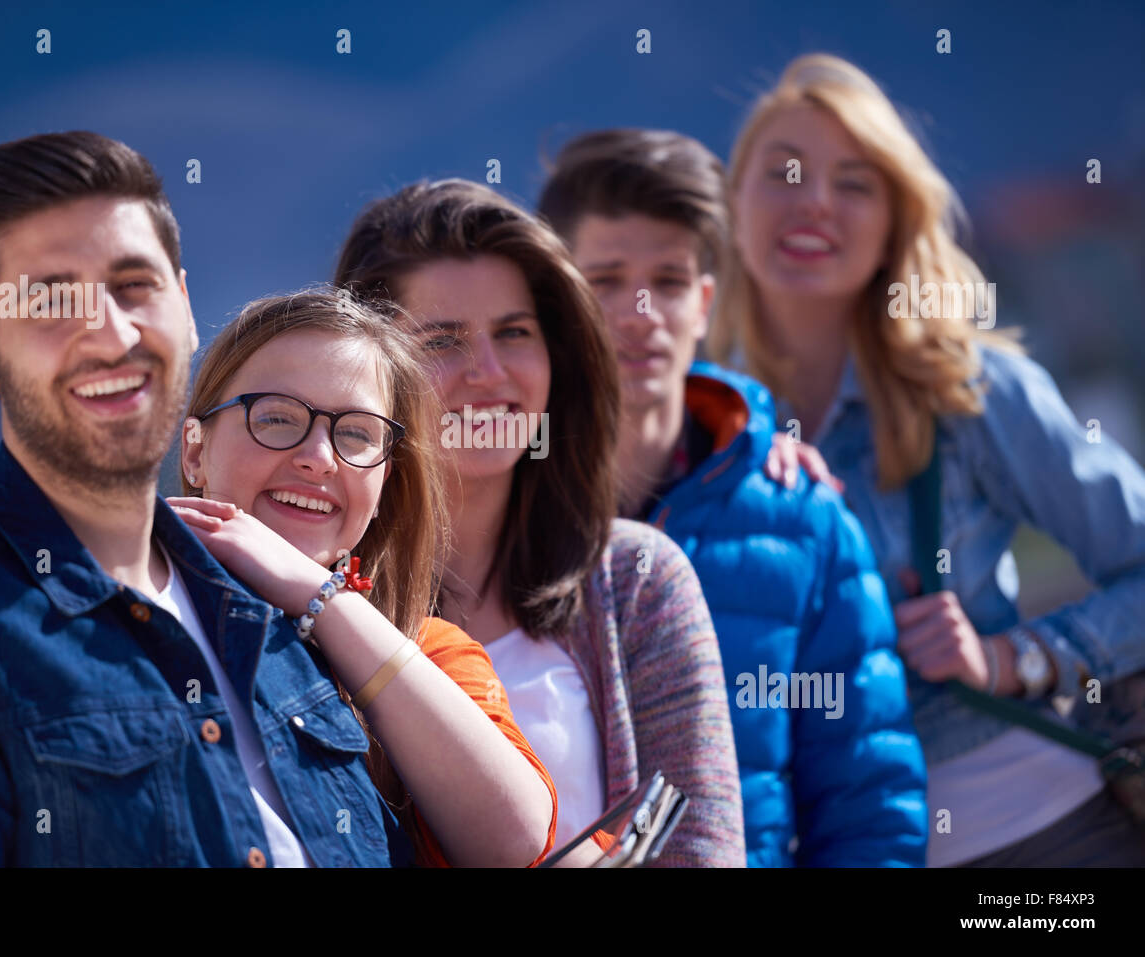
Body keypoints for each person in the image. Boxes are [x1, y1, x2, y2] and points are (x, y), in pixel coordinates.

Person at [0, 132, 405, 867]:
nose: (111, 334)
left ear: (183, 303)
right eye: (51, 300)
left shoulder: (266, 608)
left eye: (134, 285)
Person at [710, 53, 1145, 866]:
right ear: (732, 206)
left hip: (1044, 842)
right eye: (785, 172)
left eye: (855, 181)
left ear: (895, 222)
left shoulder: (969, 391)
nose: (814, 201)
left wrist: (1019, 656)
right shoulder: (700, 434)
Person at [537, 128, 928, 867]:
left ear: (706, 303)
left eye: (671, 281)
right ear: (557, 299)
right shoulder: (496, 507)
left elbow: (868, 801)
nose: (642, 312)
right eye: (607, 280)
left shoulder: (804, 517)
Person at [334, 179, 746, 867]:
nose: (488, 372)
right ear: (369, 373)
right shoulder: (317, 597)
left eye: (514, 332)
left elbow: (703, 850)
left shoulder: (639, 581)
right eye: (443, 341)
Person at [171, 288, 556, 867]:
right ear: (195, 453)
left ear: (382, 488)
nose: (320, 457)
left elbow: (516, 842)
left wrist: (317, 596)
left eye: (355, 434)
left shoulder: (430, 650)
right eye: (276, 417)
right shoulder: (122, 601)